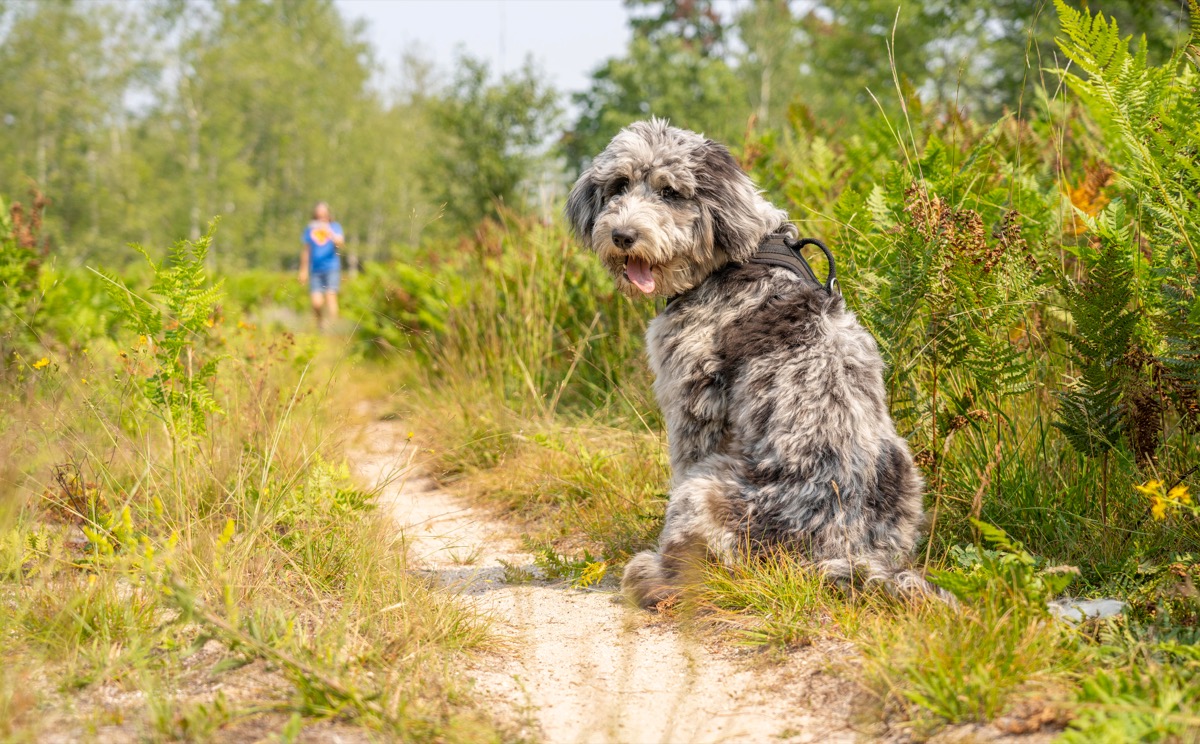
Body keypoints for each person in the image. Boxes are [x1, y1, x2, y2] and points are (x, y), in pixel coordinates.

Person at [298, 202, 345, 330]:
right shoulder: (310, 230)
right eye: (318, 216)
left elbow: (340, 243)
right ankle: (321, 326)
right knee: (316, 303)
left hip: (332, 268)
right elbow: (306, 250)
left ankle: (334, 329)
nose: (321, 219)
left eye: (323, 216)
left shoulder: (335, 227)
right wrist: (303, 270)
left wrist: (328, 231)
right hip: (315, 270)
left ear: (328, 215)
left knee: (331, 297)